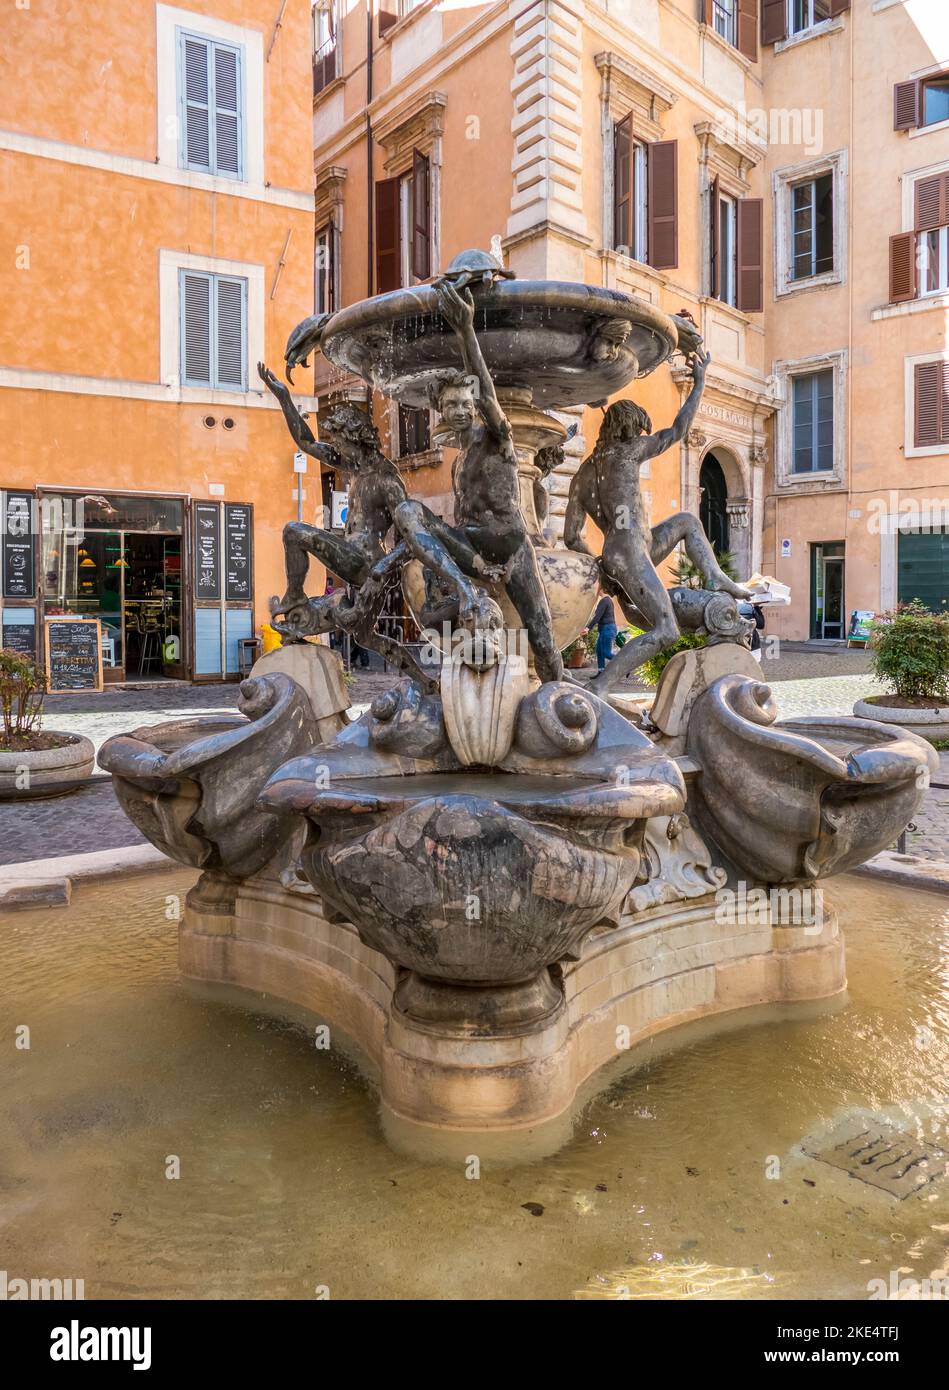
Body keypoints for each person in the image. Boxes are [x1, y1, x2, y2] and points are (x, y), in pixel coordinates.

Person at [563, 349, 751, 694]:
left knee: (686, 521)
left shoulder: (582, 475)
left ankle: (714, 576)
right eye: (639, 430)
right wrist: (699, 381)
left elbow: (571, 536)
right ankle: (602, 684)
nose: (641, 436)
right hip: (633, 550)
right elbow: (679, 429)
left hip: (626, 549)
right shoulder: (628, 451)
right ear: (630, 429)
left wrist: (605, 569)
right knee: (665, 629)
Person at [590, 591, 618, 672]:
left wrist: (588, 628)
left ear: (602, 590)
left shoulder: (604, 601)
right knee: (599, 651)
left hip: (607, 629)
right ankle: (601, 672)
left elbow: (597, 617)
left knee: (606, 653)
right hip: (606, 629)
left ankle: (626, 664)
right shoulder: (608, 600)